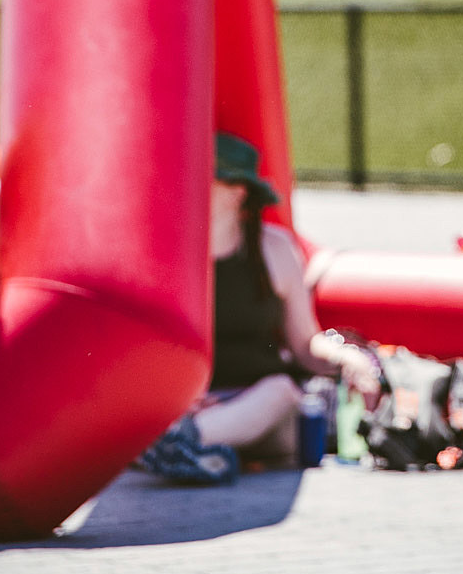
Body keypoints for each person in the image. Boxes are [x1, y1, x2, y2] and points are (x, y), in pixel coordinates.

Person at [136, 132, 379, 484]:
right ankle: (196, 447)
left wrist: (350, 360)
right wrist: (177, 397)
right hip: (189, 400)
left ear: (239, 192)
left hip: (259, 404)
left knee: (281, 390)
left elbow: (305, 342)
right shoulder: (166, 252)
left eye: (204, 177)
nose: (187, 186)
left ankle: (185, 441)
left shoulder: (274, 250)